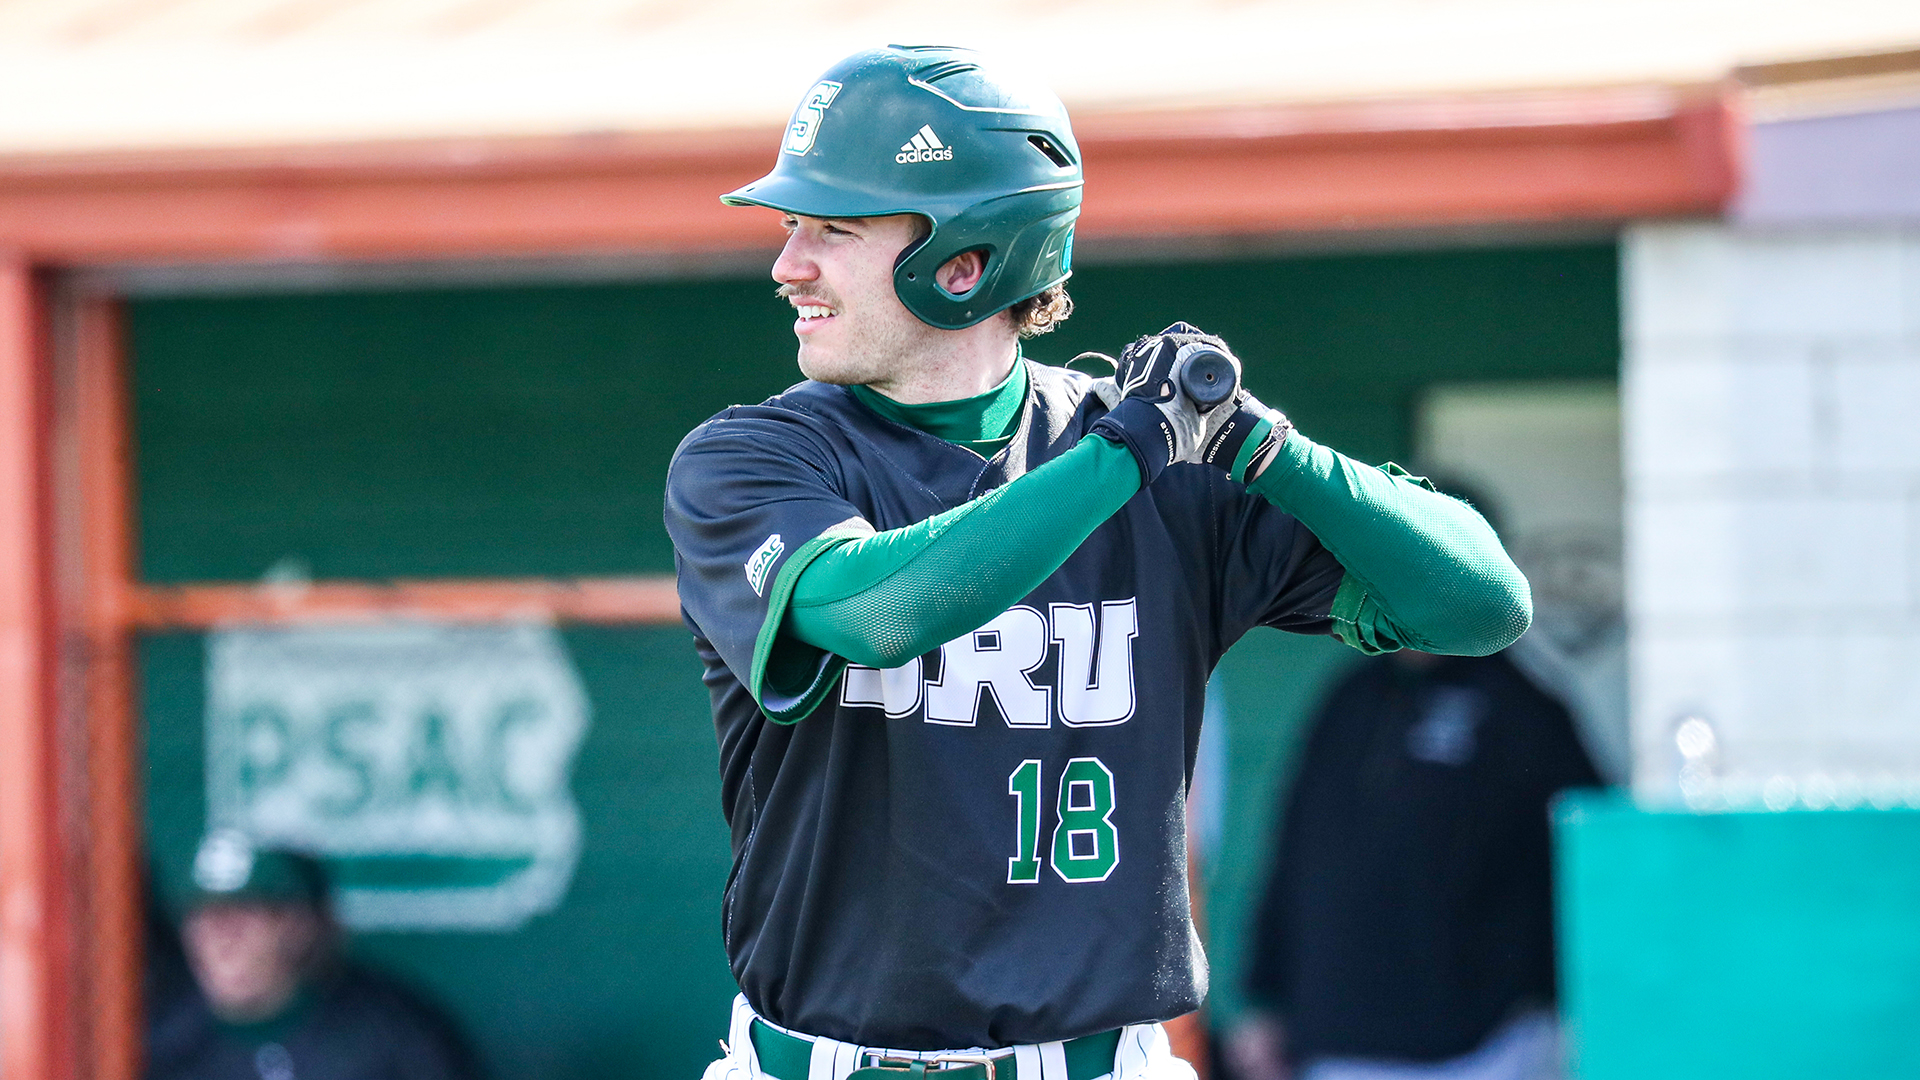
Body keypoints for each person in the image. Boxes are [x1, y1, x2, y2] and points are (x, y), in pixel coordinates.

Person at [662, 44, 1532, 1080]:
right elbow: (879, 611)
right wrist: (1128, 453)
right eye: (792, 227)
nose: (788, 263)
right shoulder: (755, 457)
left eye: (833, 229)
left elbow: (1482, 606)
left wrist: (1268, 450)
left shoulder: (1164, 468)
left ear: (964, 261)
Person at [1228, 645, 1603, 1080]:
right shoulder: (1352, 696)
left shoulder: (1520, 703)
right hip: (1340, 1042)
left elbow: (1586, 868)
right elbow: (1297, 852)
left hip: (1482, 1047)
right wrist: (1265, 999)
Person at [150, 830, 481, 1080]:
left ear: (300, 926)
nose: (223, 942)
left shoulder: (392, 1037)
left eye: (244, 919)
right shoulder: (157, 1044)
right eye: (206, 919)